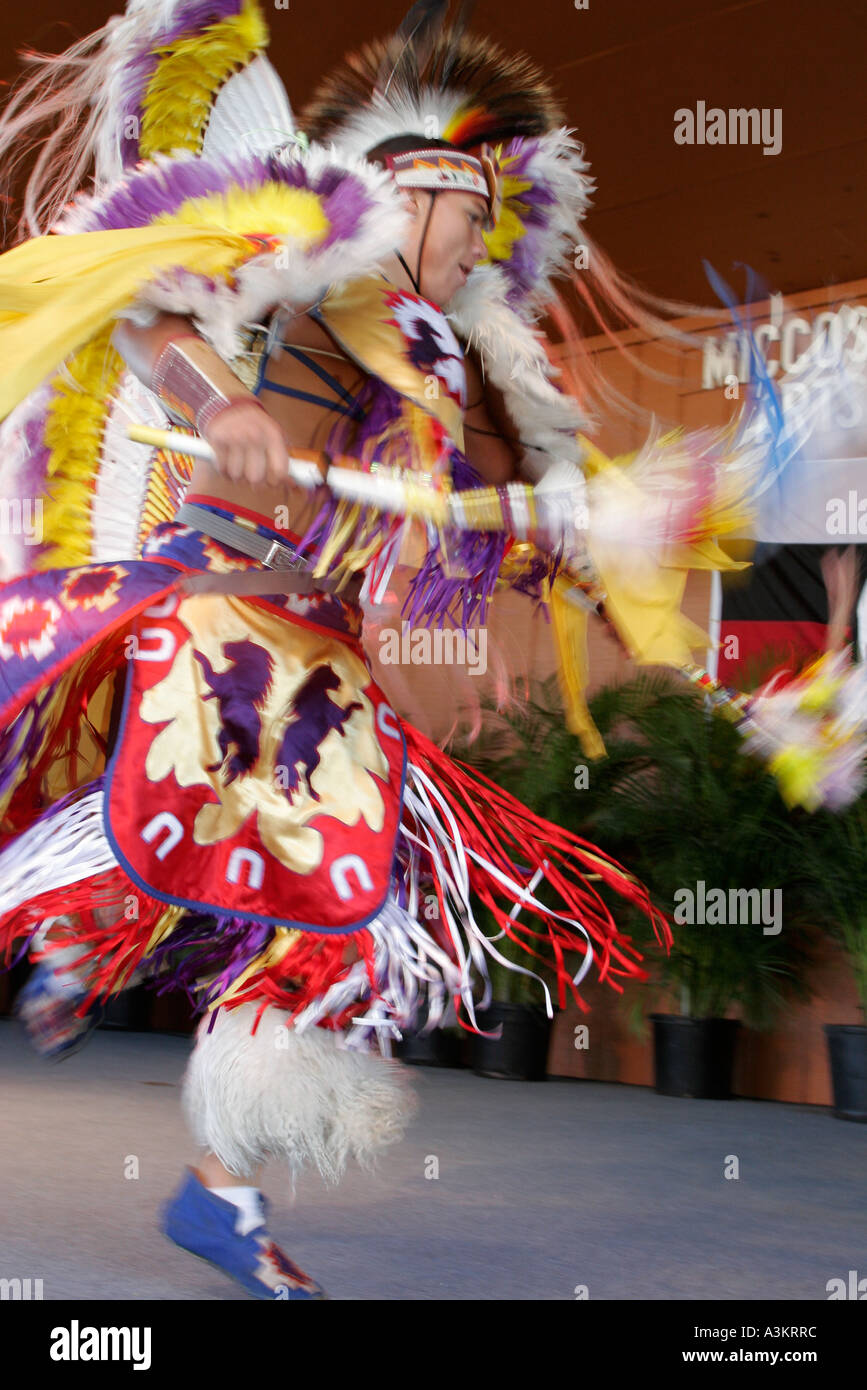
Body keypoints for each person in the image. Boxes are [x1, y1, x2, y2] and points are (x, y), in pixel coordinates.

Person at [0, 0, 846, 1299]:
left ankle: (217, 1184)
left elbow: (452, 523)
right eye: (471, 215)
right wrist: (220, 405)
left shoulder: (437, 361)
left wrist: (571, 542)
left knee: (338, 921)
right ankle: (76, 917)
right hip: (225, 610)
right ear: (414, 194)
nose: (483, 241)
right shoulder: (333, 279)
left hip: (317, 655)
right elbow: (144, 315)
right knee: (229, 827)